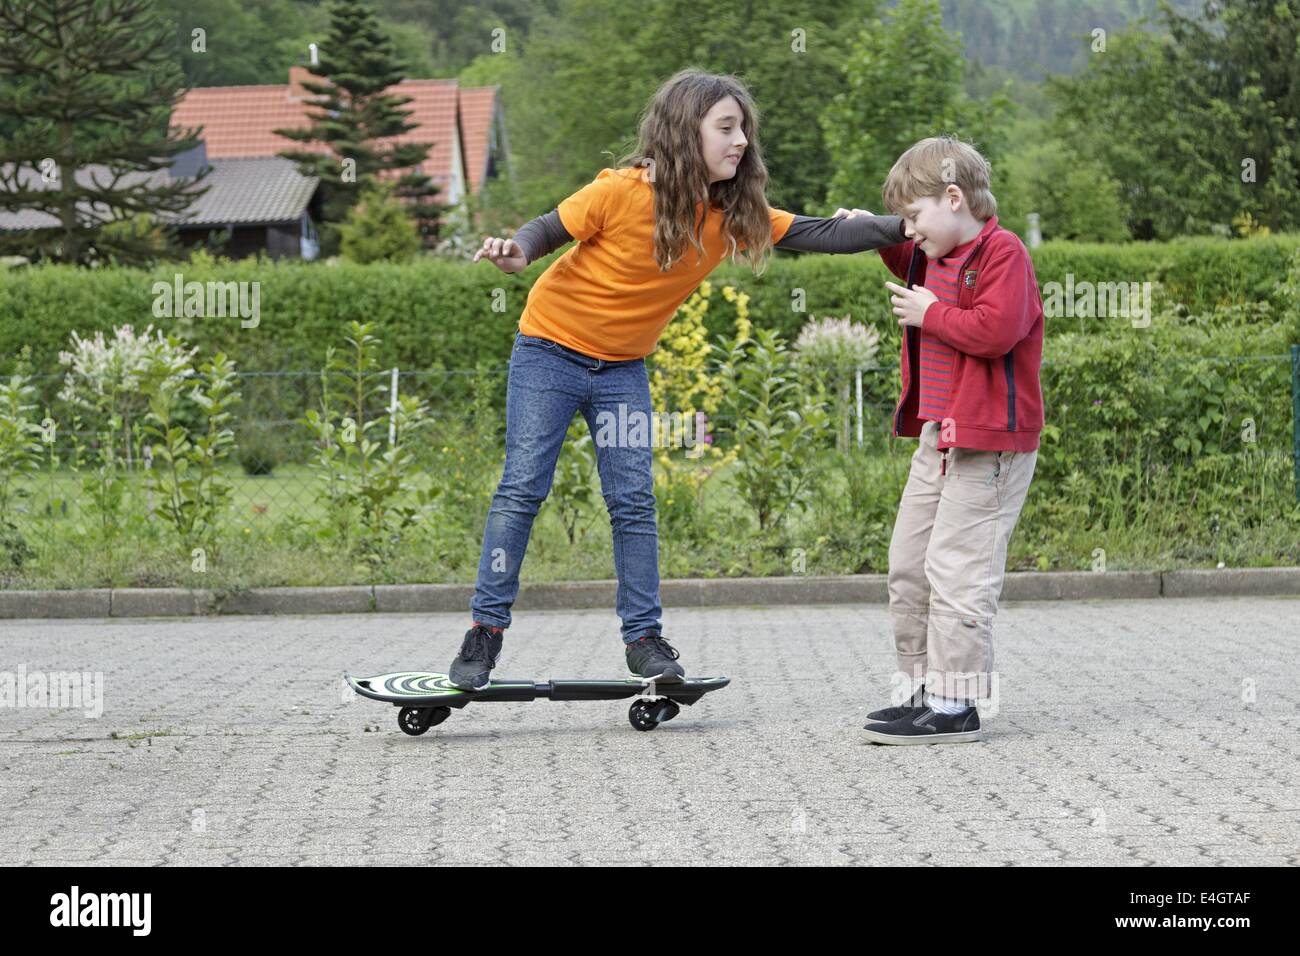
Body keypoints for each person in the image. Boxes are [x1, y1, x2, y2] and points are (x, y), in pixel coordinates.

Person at [448, 68, 905, 690]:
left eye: (743, 127)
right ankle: (485, 632)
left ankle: (643, 639)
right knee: (523, 489)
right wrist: (515, 252)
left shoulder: (731, 214)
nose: (740, 139)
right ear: (683, 133)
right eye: (725, 127)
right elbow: (544, 231)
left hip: (621, 371)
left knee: (633, 501)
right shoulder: (617, 190)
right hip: (547, 354)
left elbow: (822, 233)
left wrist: (905, 226)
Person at [846, 135, 1045, 744]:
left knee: (958, 569)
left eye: (914, 218)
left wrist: (931, 314)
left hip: (990, 444)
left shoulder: (1002, 253)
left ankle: (957, 703)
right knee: (910, 564)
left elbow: (996, 330)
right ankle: (919, 692)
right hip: (940, 438)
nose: (908, 232)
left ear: (954, 197)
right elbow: (904, 247)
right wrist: (870, 227)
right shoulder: (931, 254)